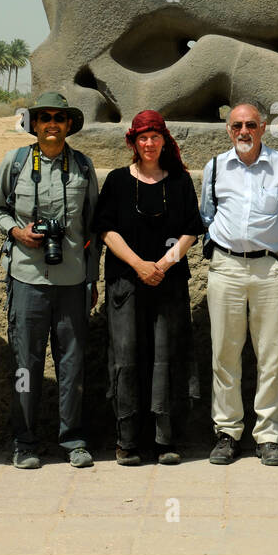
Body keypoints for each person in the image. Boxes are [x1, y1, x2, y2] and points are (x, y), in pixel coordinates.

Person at [0, 92, 100, 470]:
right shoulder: (15, 162)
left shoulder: (83, 167)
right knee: (25, 364)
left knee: (72, 363)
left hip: (72, 279)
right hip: (27, 278)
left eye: (60, 117)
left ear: (69, 125)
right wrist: (17, 232)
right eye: (44, 117)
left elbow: (95, 228)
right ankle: (24, 441)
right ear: (34, 124)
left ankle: (73, 439)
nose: (52, 123)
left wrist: (93, 278)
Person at [93, 111, 204, 465]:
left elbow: (191, 229)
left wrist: (164, 264)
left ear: (164, 140)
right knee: (126, 358)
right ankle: (127, 440)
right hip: (126, 283)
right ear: (133, 142)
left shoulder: (180, 182)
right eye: (142, 137)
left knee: (166, 356)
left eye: (155, 136)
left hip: (168, 284)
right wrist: (140, 265)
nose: (149, 143)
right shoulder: (116, 181)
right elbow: (107, 230)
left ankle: (165, 439)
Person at [200, 102, 278, 466]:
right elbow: (207, 217)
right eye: (236, 126)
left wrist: (273, 256)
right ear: (228, 130)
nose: (243, 132)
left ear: (263, 128)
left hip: (269, 270)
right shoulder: (214, 168)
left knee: (271, 356)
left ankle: (268, 436)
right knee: (224, 354)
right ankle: (227, 433)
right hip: (226, 268)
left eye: (250, 125)